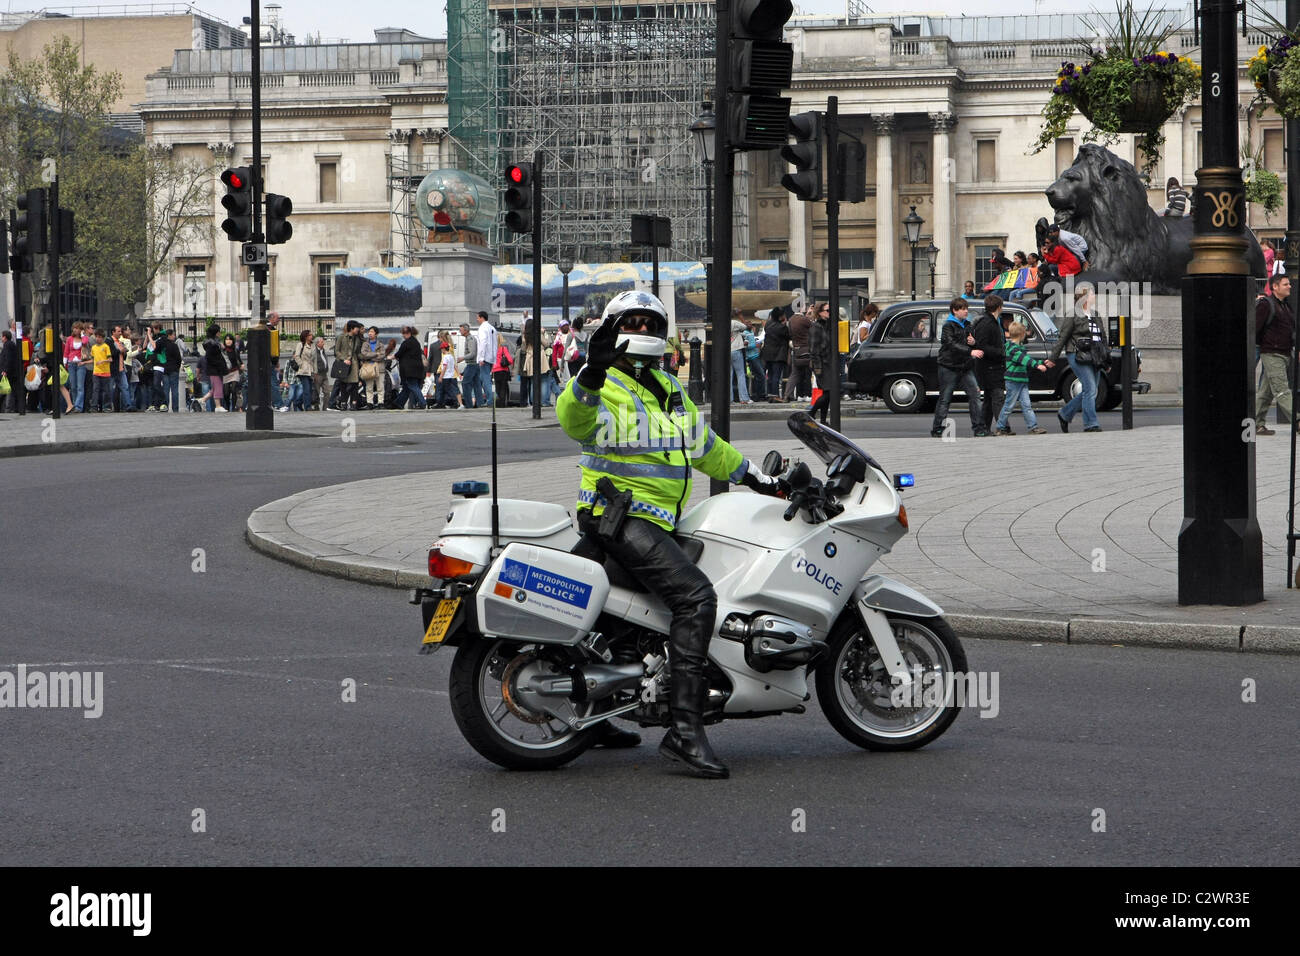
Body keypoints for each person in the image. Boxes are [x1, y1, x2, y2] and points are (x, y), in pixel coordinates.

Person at [555, 289, 786, 778]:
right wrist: (591, 372)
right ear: (612, 330)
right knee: (696, 599)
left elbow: (704, 446)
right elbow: (572, 422)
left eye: (648, 323)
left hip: (654, 521)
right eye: (630, 323)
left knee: (623, 619)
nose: (639, 331)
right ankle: (684, 732)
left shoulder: (667, 386)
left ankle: (600, 717)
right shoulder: (601, 381)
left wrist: (758, 478)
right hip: (619, 517)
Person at [1046, 284, 1104, 433]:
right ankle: (1091, 424)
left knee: (1091, 390)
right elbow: (1063, 336)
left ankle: (1065, 414)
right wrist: (1053, 358)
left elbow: (1102, 338)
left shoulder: (1096, 314)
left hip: (1095, 356)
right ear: (1084, 297)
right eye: (1092, 294)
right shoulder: (1073, 314)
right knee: (1090, 389)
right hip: (1077, 354)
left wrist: (1106, 360)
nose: (1094, 296)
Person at [930, 297, 986, 437]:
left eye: (966, 308)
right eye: (962, 309)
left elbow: (971, 342)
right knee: (945, 398)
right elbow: (950, 344)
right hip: (948, 366)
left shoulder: (967, 324)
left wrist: (973, 342)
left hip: (965, 366)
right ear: (955, 311)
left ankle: (978, 428)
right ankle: (937, 427)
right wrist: (970, 351)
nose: (966, 311)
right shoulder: (948, 325)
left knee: (975, 395)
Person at [1254, 274, 1296, 436]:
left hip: (1283, 353)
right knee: (1282, 390)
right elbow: (1254, 328)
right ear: (1275, 287)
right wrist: (1266, 344)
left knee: (1266, 391)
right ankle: (1298, 421)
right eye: (1286, 284)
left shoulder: (1285, 306)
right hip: (1272, 353)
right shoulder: (1266, 305)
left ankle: (1256, 424)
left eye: (1289, 284)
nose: (1290, 286)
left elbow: (1290, 331)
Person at [994, 321, 1049, 435]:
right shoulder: (1014, 349)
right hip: (1013, 381)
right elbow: (1024, 359)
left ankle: (1033, 427)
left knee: (1026, 405)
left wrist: (1042, 362)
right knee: (1009, 405)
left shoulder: (1018, 348)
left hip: (1021, 380)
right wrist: (1037, 365)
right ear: (1022, 334)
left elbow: (1027, 359)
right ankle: (999, 427)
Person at [972, 295, 1007, 434]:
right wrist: (1001, 352)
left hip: (992, 366)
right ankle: (1003, 427)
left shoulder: (993, 321)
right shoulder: (987, 323)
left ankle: (984, 428)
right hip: (989, 366)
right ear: (999, 307)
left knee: (988, 399)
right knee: (998, 397)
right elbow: (982, 345)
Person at [390, 325, 428, 410]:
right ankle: (397, 403)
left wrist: (390, 357)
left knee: (413, 386)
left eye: (405, 333)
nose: (403, 335)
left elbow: (399, 354)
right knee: (406, 388)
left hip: (409, 370)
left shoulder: (406, 343)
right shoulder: (416, 342)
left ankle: (423, 403)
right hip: (417, 369)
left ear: (409, 333)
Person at [783, 303, 813, 400]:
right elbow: (813, 327)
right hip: (806, 349)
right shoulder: (804, 320)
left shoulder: (791, 319)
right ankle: (807, 394)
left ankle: (792, 394)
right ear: (801, 308)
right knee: (807, 373)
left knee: (795, 374)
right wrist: (810, 315)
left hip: (796, 350)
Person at [760, 306, 790, 401]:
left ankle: (770, 394)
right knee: (776, 376)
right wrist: (785, 324)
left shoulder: (768, 325)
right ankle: (776, 395)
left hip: (767, 354)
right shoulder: (782, 327)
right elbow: (789, 336)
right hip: (778, 354)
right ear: (780, 316)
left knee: (771, 375)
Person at [201, 324, 228, 412]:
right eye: (219, 331)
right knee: (218, 386)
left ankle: (202, 400)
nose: (220, 333)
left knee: (215, 388)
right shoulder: (212, 344)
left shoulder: (215, 342)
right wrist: (218, 364)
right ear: (216, 333)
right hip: (214, 369)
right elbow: (210, 357)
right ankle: (218, 406)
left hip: (216, 368)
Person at [474, 310, 498, 408]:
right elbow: (495, 344)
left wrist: (481, 357)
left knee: (486, 379)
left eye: (478, 317)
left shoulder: (482, 328)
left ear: (482, 318)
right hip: (491, 356)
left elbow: (483, 343)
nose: (477, 319)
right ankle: (482, 399)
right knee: (482, 379)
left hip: (485, 357)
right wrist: (494, 357)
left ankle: (489, 400)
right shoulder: (492, 328)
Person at [288, 331, 316, 411]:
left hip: (310, 370)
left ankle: (298, 402)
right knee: (306, 389)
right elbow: (296, 356)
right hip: (303, 371)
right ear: (305, 336)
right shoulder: (300, 344)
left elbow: (314, 358)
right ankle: (308, 407)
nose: (311, 336)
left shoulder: (312, 345)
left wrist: (314, 370)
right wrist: (301, 365)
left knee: (310, 389)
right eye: (310, 335)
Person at [729, 311, 753, 404]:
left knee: (729, 376)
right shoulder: (734, 323)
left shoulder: (721, 323)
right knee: (740, 374)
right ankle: (744, 398)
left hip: (726, 351)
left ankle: (729, 399)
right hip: (736, 350)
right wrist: (740, 316)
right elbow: (745, 327)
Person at [492, 335, 513, 407]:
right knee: (503, 388)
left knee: (497, 388)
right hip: (503, 371)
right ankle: (502, 404)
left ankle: (497, 403)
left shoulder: (492, 350)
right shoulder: (503, 349)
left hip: (495, 371)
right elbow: (510, 360)